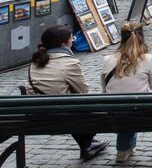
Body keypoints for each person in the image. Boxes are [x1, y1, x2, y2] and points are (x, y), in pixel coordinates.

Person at [27, 25, 107, 160]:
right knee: (91, 108)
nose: (73, 41)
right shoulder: (68, 62)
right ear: (63, 44)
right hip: (59, 116)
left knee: (68, 107)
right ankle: (87, 144)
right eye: (72, 38)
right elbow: (83, 91)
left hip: (36, 114)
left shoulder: (35, 61)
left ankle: (87, 145)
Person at [102, 21, 152, 164]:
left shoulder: (107, 60)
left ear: (121, 38)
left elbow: (105, 90)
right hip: (143, 112)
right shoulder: (150, 59)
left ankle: (123, 150)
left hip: (117, 113)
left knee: (124, 104)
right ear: (142, 36)